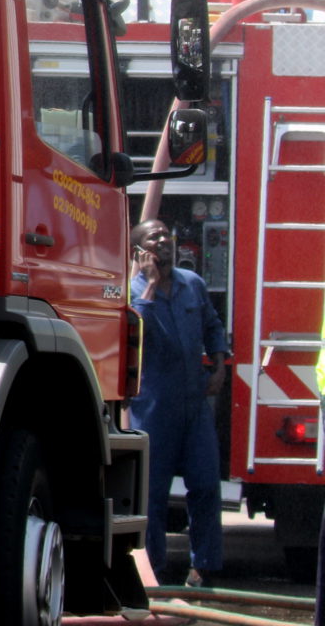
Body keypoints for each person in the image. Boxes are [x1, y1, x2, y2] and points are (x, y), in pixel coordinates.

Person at [129, 219, 229, 585]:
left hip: (194, 405)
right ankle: (153, 571)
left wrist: (218, 364)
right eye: (153, 237)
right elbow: (137, 331)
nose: (163, 240)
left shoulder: (193, 284)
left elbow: (212, 325)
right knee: (152, 493)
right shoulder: (135, 292)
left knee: (205, 485)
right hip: (154, 408)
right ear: (140, 251)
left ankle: (203, 568)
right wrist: (152, 284)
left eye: (165, 234)